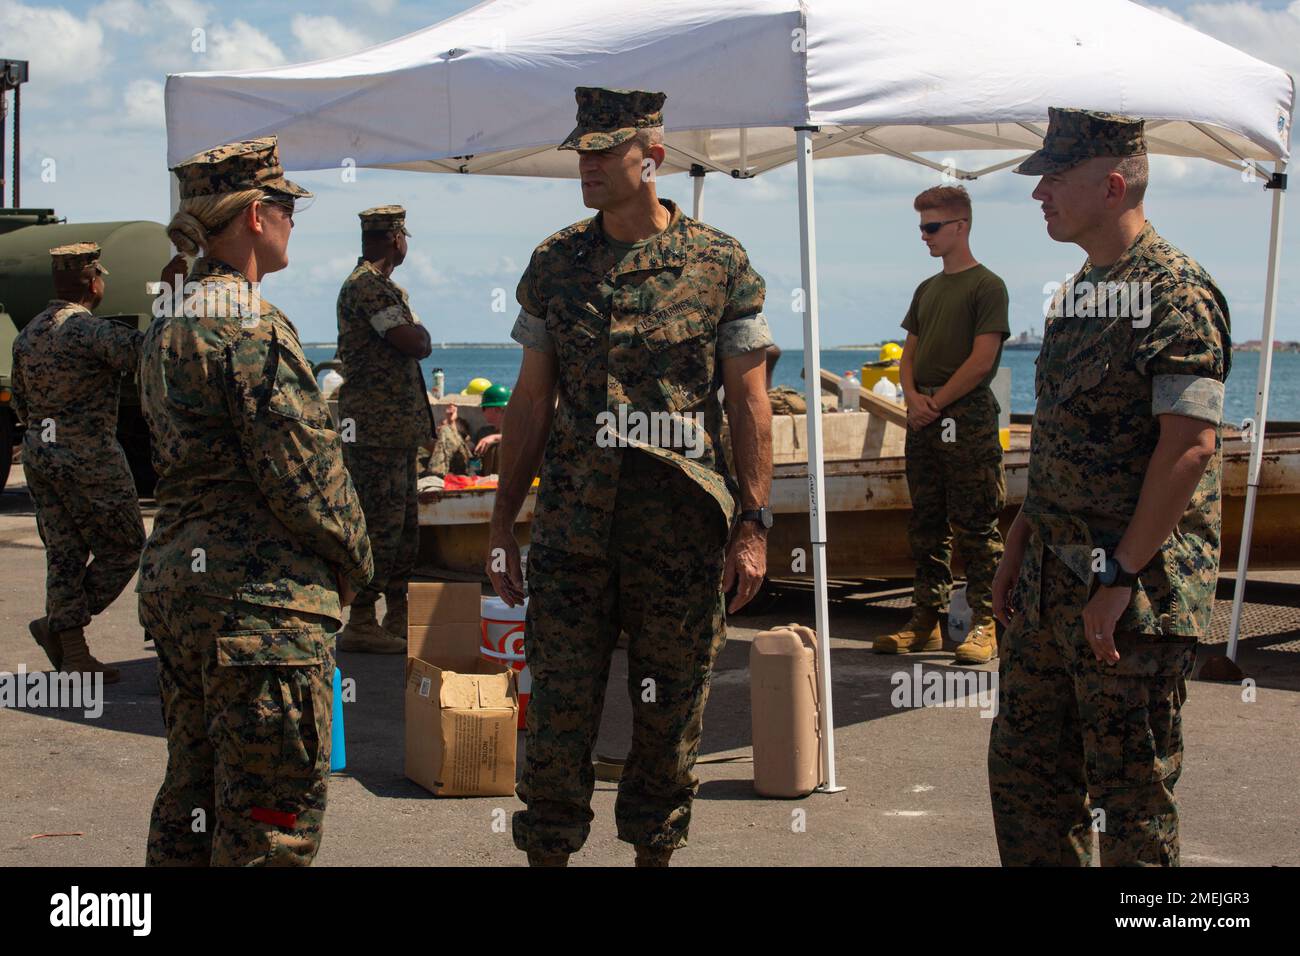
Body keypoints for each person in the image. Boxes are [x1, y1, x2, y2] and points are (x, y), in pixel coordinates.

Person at [487, 87, 774, 867]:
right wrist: (502, 520)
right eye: (580, 150)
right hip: (573, 534)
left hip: (678, 539)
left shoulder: (720, 263)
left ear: (650, 158)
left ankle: (655, 854)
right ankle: (548, 854)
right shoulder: (555, 262)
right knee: (556, 717)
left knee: (672, 714)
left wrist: (754, 525)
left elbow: (750, 403)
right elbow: (531, 397)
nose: (586, 163)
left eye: (603, 150)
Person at [988, 108, 1231, 866]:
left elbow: (1189, 447)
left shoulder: (1177, 291)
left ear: (1113, 185)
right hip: (1047, 584)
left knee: (1129, 807)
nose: (1039, 195)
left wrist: (1121, 575)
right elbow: (1063, 440)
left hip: (1134, 597)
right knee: (1028, 790)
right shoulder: (1081, 291)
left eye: (1054, 179)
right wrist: (1018, 542)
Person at [137, 136, 374, 866]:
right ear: (253, 216)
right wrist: (357, 561)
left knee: (193, 796)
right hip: (261, 608)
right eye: (285, 207)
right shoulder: (249, 325)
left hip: (181, 590)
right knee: (271, 822)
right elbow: (306, 475)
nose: (293, 222)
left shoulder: (166, 321)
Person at [880, 185, 1009, 664]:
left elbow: (982, 360)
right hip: (925, 417)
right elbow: (908, 353)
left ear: (961, 227)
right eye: (921, 227)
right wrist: (913, 399)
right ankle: (925, 622)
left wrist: (935, 403)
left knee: (976, 523)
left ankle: (985, 622)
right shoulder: (927, 290)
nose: (925, 236)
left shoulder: (988, 286)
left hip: (967, 415)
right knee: (927, 524)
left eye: (932, 227)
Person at [12, 242, 144, 682]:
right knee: (124, 548)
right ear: (93, 282)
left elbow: (23, 405)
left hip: (39, 453)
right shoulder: (91, 331)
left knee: (65, 552)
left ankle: (72, 651)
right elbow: (151, 355)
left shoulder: (28, 333)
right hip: (89, 456)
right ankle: (60, 628)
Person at [335, 205, 434, 654]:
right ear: (397, 238)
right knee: (378, 524)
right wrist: (422, 331)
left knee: (404, 527)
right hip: (375, 432)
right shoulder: (367, 288)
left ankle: (397, 611)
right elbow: (414, 343)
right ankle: (360, 617)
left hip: (394, 431)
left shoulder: (383, 288)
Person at [426, 383, 509, 477]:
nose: (483, 412)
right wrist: (451, 423)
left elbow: (524, 439)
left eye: (484, 408)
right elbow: (463, 450)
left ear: (497, 409)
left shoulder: (517, 432)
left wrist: (496, 438)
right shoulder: (484, 432)